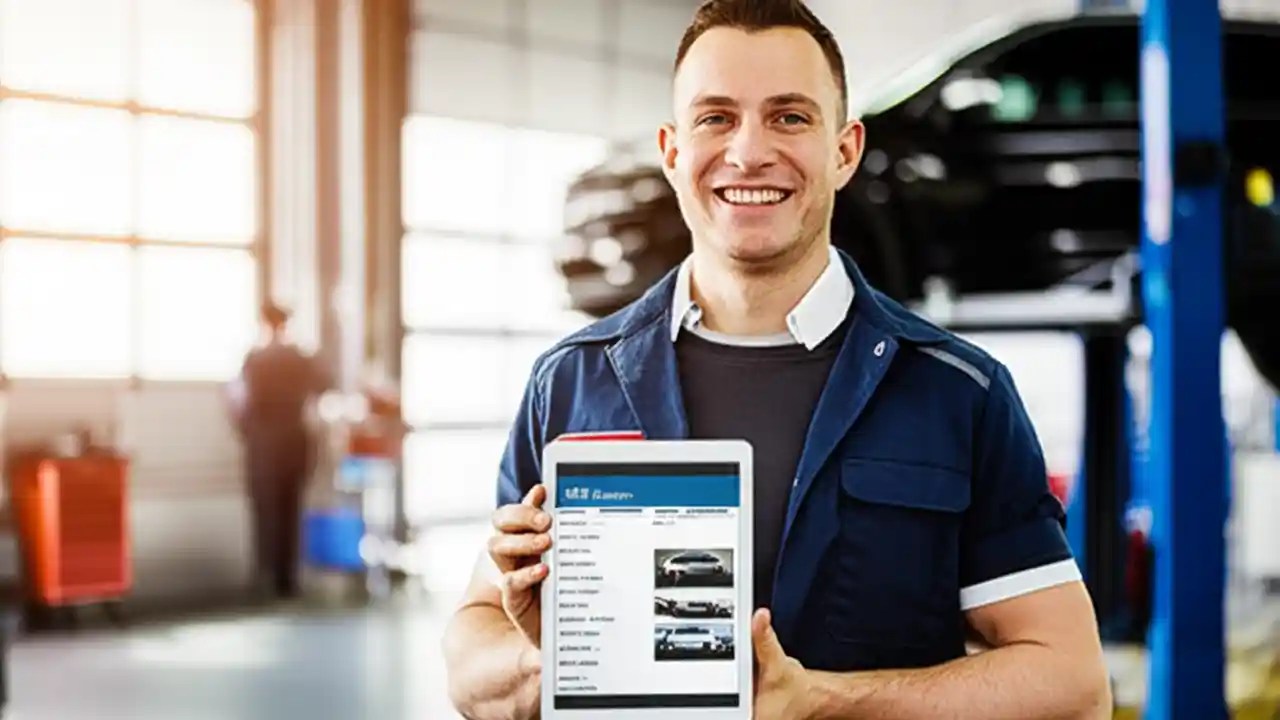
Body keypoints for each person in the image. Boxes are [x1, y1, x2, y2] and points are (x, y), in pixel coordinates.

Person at [443, 0, 1112, 717]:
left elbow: (1071, 684)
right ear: (672, 151)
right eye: (716, 118)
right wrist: (562, 657)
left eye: (789, 117)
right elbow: (472, 658)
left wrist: (823, 702)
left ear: (845, 151)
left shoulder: (959, 394)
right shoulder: (571, 383)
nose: (749, 151)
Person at [227, 303, 329, 601]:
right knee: (290, 508)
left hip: (263, 443)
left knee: (265, 509)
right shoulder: (300, 357)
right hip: (294, 440)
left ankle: (265, 575)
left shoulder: (254, 359)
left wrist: (247, 431)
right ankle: (288, 581)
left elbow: (239, 403)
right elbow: (324, 386)